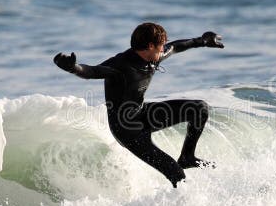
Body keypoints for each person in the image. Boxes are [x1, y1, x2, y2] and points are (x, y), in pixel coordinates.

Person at [54, 22, 224, 187]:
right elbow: (91, 71)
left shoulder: (154, 56)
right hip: (127, 130)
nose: (163, 48)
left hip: (142, 113)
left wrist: (202, 41)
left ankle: (187, 157)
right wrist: (73, 68)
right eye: (161, 45)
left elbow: (176, 47)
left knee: (199, 108)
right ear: (150, 46)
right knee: (176, 174)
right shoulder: (120, 65)